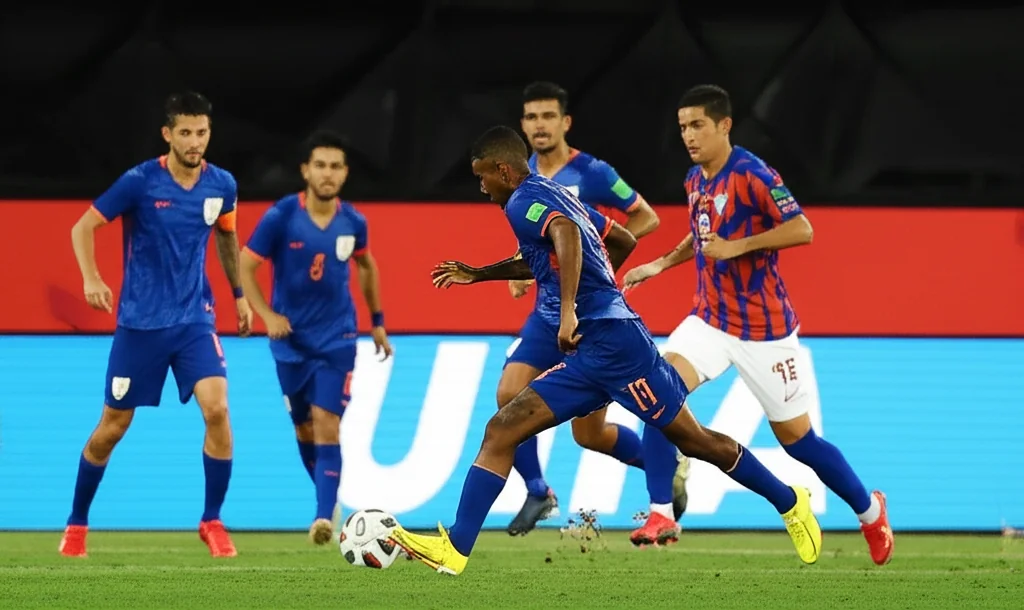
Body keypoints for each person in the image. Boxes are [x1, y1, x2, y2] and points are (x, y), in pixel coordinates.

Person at [388, 125, 822, 576]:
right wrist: (481, 274)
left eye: (482, 177)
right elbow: (619, 241)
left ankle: (790, 501)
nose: (481, 188)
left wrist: (574, 307)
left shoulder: (521, 203)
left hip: (618, 349)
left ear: (503, 169)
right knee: (502, 429)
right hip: (591, 350)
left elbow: (566, 236)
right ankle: (455, 549)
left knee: (695, 441)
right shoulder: (555, 193)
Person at [623, 84, 894, 566]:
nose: (688, 135)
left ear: (724, 125)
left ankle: (871, 512)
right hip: (708, 320)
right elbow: (701, 233)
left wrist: (739, 246)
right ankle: (661, 512)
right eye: (683, 126)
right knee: (656, 394)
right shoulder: (695, 179)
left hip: (764, 332)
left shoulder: (752, 174)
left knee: (800, 443)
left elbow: (802, 229)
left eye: (698, 125)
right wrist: (660, 265)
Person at [61, 92, 252, 558]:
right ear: (168, 134)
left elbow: (227, 237)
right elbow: (81, 228)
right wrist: (91, 277)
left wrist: (240, 295)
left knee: (218, 411)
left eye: (201, 132)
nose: (194, 141)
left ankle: (212, 520)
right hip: (140, 326)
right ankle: (77, 525)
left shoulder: (222, 184)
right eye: (184, 132)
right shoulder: (140, 182)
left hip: (194, 321)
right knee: (111, 427)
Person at [501, 81, 688, 544]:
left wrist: (594, 262)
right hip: (547, 313)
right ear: (523, 125)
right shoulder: (518, 174)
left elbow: (646, 217)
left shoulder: (594, 172)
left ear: (565, 122)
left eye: (548, 116)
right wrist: (528, 270)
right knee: (509, 392)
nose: (539, 125)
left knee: (590, 435)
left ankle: (664, 463)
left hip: (592, 315)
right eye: (531, 118)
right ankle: (538, 489)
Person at [240, 131, 393, 545]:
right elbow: (245, 265)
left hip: (337, 339)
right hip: (289, 342)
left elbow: (366, 266)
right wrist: (266, 315)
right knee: (304, 431)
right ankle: (328, 497)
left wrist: (376, 321)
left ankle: (323, 517)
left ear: (344, 174)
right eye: (320, 165)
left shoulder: (353, 221)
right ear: (306, 170)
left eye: (336, 166)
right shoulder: (281, 216)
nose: (328, 173)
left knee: (327, 425)